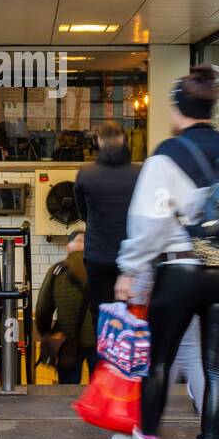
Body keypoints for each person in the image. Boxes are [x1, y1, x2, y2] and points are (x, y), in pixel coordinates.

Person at [110, 65, 219, 439]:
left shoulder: (168, 154)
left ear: (178, 107)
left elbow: (147, 223)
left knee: (158, 362)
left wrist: (130, 269)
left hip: (182, 270)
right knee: (218, 367)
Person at [73, 121, 140, 332]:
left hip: (98, 256)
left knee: (101, 318)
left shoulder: (86, 174)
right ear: (124, 141)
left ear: (98, 142)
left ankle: (103, 360)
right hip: (131, 259)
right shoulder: (139, 174)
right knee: (132, 318)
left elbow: (83, 213)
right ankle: (128, 360)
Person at [35, 231, 95, 384]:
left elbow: (43, 309)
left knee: (67, 389)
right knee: (99, 389)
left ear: (68, 247)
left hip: (67, 341)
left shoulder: (57, 271)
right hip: (99, 341)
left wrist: (47, 333)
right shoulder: (99, 270)